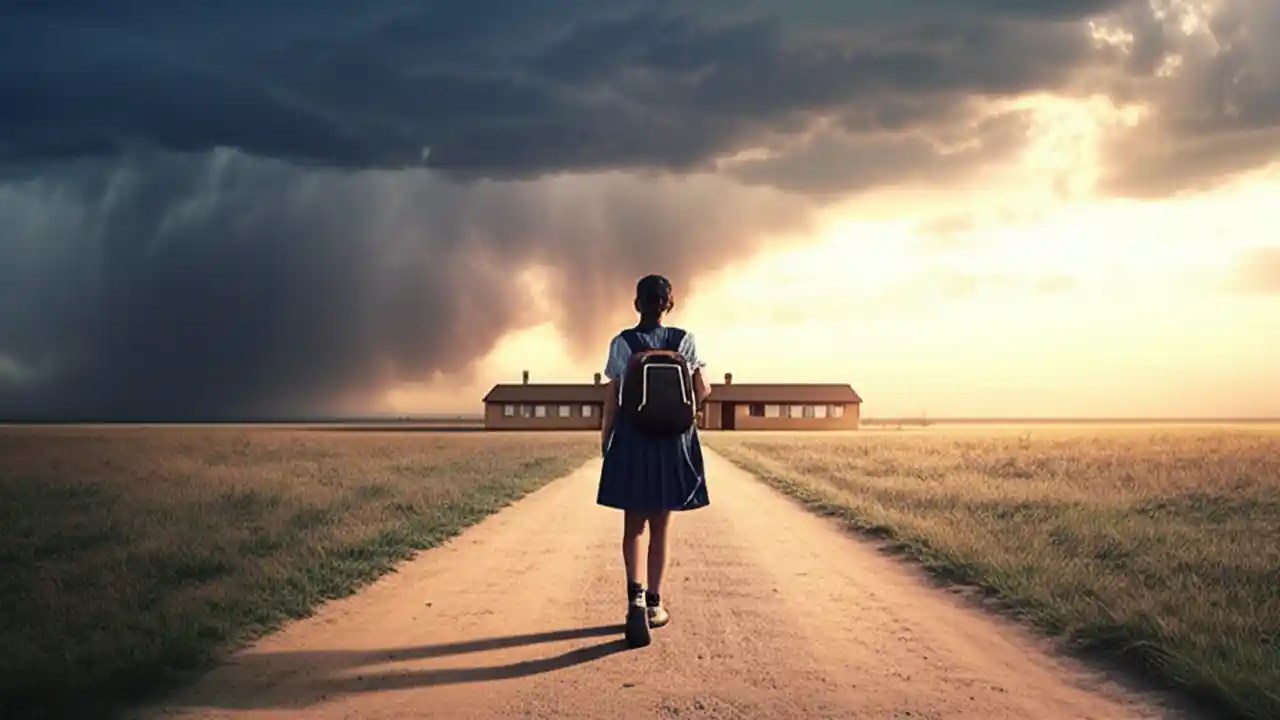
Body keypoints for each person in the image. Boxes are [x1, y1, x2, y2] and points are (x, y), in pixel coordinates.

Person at [598, 274, 711, 648]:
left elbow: (613, 398)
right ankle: (654, 605)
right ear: (669, 304)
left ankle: (633, 597)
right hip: (671, 443)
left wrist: (606, 438)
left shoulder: (622, 343)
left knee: (634, 527)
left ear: (637, 303)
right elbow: (703, 389)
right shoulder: (684, 340)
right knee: (661, 528)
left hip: (633, 439)